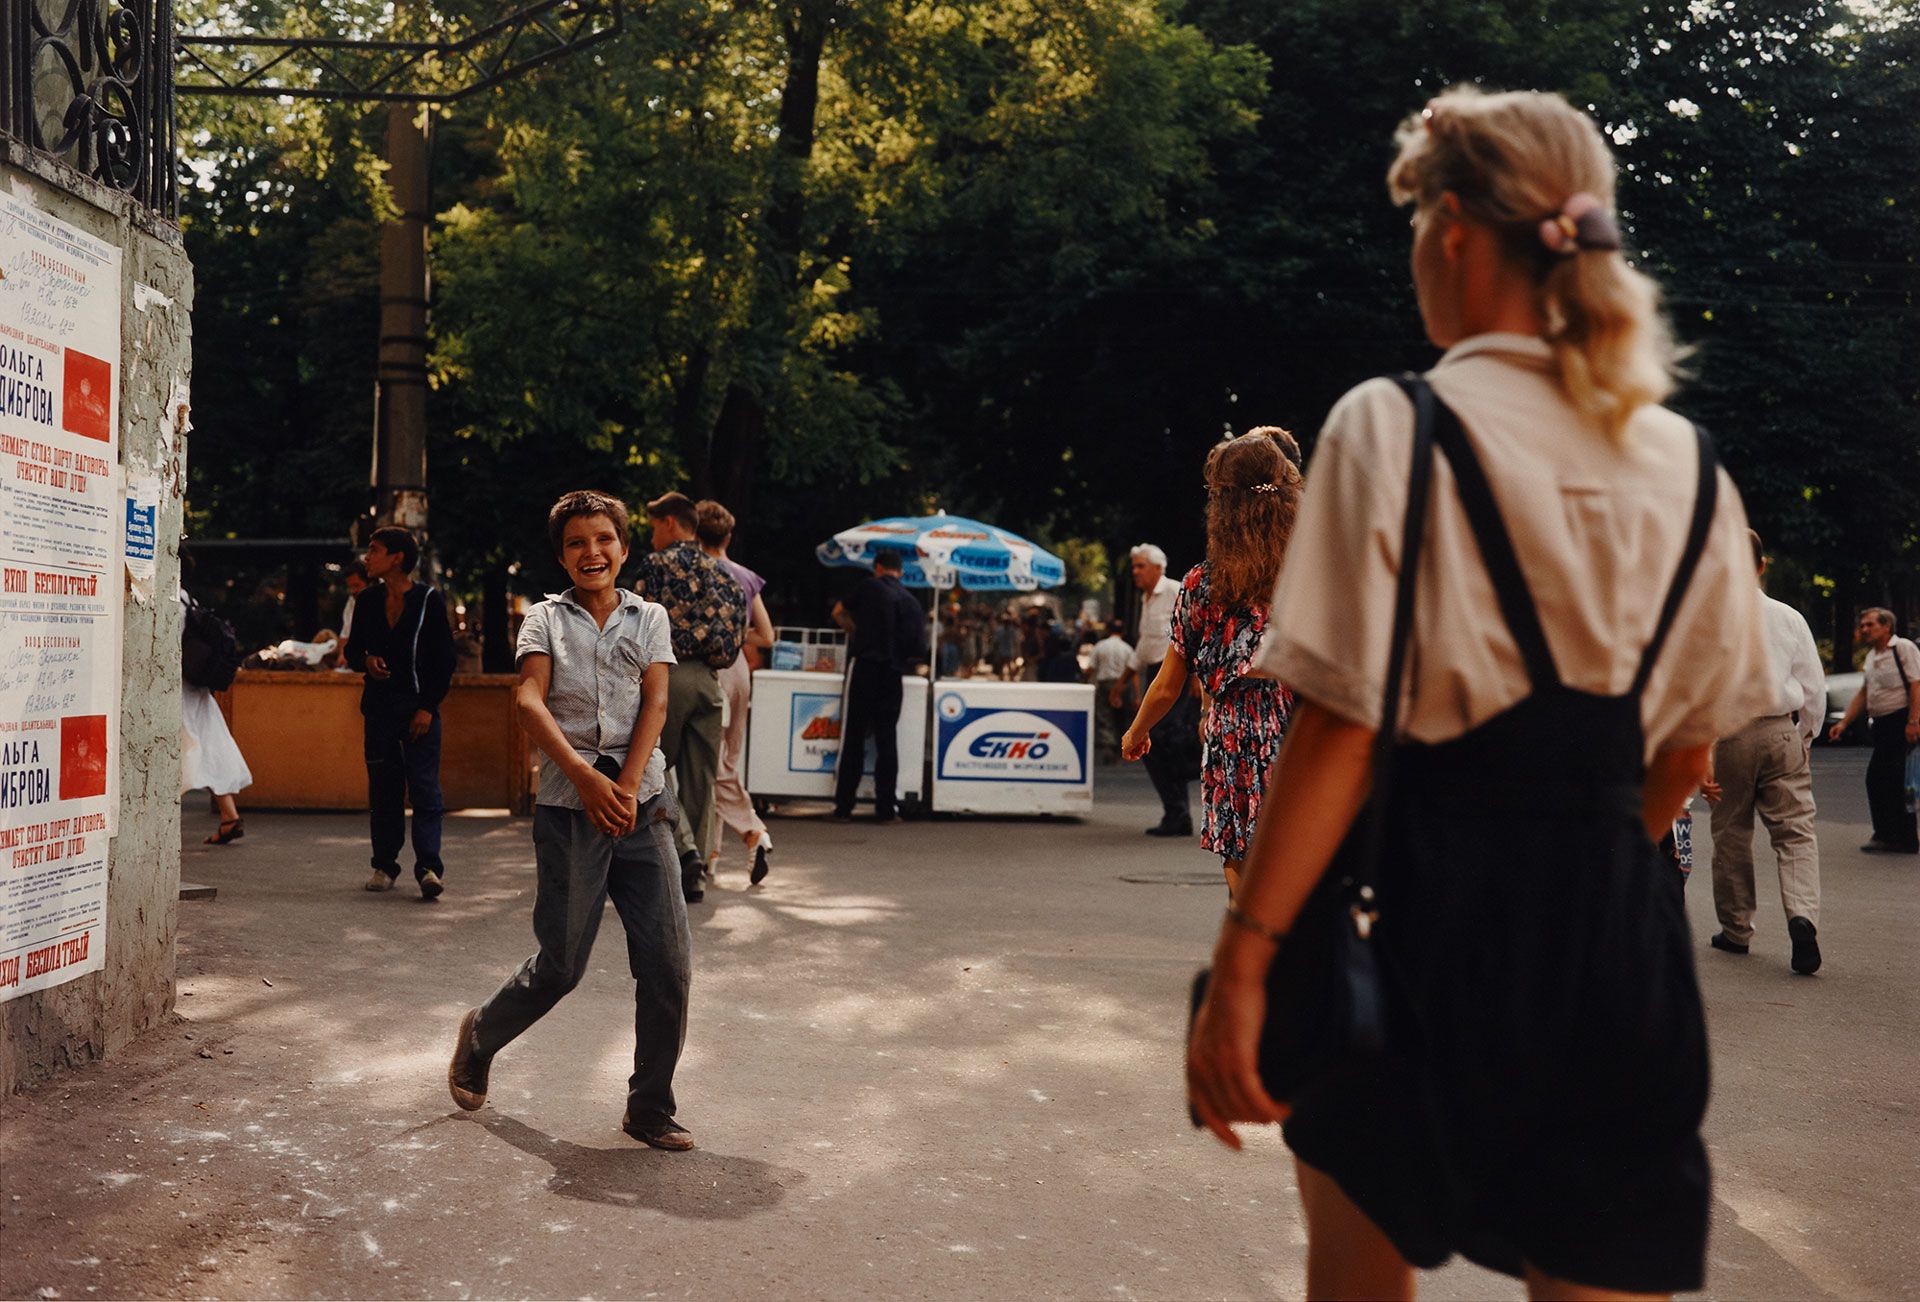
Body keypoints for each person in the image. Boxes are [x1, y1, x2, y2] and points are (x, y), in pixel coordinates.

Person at [1186, 88, 1775, 1300]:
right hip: (1621, 941)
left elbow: (1340, 726)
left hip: (1420, 922)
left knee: (1360, 1274)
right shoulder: (1689, 464)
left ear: (1452, 226)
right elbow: (1685, 756)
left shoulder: (1391, 426)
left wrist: (1245, 960)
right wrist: (1581, 880)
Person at [448, 490, 695, 1151]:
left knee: (669, 964)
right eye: (577, 543)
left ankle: (649, 1107)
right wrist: (586, 779)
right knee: (561, 966)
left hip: (642, 805)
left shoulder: (649, 617)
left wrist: (623, 785)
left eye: (604, 539)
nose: (592, 552)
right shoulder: (544, 620)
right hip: (568, 808)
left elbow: (656, 701)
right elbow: (529, 701)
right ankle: (480, 1035)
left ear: (624, 548)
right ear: (562, 557)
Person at [1121, 429, 1302, 897]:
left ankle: (1248, 929)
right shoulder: (1308, 575)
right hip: (1300, 724)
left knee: (1240, 853)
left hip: (1233, 730)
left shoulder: (1203, 584)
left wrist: (1136, 733)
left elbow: (1167, 684)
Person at [1704, 529, 1825, 973]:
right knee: (1796, 832)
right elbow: (1813, 688)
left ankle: (1736, 930)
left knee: (1731, 832)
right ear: (1761, 564)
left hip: (1730, 734)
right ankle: (1801, 916)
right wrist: (1804, 737)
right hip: (1780, 732)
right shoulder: (1788, 617)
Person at [631, 492, 747, 903]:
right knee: (702, 779)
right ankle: (692, 877)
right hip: (711, 682)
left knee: (650, 759)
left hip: (668, 674)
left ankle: (684, 849)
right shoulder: (724, 575)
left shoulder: (656, 565)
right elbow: (738, 630)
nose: (652, 537)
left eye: (653, 528)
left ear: (670, 523)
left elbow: (636, 622)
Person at [344, 526, 455, 898]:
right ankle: (384, 865)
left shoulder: (428, 600)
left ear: (397, 558)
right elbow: (352, 651)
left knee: (424, 790)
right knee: (383, 791)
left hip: (418, 711)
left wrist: (427, 707)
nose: (367, 557)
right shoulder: (367, 600)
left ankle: (429, 869)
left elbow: (444, 660)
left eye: (374, 550)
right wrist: (366, 660)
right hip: (379, 711)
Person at [692, 499, 777, 885]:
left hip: (709, 670)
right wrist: (736, 634)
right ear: (728, 536)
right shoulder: (746, 577)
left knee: (704, 762)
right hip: (739, 670)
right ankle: (712, 853)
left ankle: (749, 832)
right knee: (725, 760)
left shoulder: (695, 572)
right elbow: (767, 635)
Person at [830, 550, 928, 822]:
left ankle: (844, 808)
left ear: (878, 568)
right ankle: (886, 809)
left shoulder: (869, 587)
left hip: (865, 668)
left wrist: (856, 633)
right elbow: (918, 649)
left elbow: (838, 611)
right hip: (893, 674)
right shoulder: (911, 601)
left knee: (854, 737)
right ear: (900, 572)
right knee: (887, 740)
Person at [1112, 543, 1195, 837]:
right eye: (1134, 566)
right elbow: (1144, 646)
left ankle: (1187, 790)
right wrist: (1122, 681)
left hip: (1177, 674)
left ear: (1158, 567)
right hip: (1154, 673)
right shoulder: (1145, 600)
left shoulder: (1175, 590)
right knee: (1156, 742)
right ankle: (1177, 813)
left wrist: (1197, 676)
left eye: (1140, 566)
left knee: (1159, 739)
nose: (1135, 572)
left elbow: (1195, 630)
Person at [1829, 607, 1920, 854]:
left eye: (1870, 625)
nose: (1865, 629)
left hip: (1899, 720)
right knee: (1885, 780)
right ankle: (1892, 835)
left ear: (1886, 626)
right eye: (1863, 625)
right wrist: (1844, 723)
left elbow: (1916, 685)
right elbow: (1864, 692)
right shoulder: (1872, 656)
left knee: (1889, 779)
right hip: (1881, 724)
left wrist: (1913, 721)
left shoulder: (1902, 648)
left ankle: (1899, 837)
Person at [180, 592, 252, 845]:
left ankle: (152, 821)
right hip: (197, 687)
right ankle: (229, 817)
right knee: (212, 746)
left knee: (187, 750)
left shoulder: (165, 598)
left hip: (177, 688)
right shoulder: (187, 599)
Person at [1087, 620, 1134, 764]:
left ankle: (1109, 744)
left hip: (1105, 684)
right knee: (1122, 716)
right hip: (1123, 685)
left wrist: (1084, 680)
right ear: (1123, 632)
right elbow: (1134, 671)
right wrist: (1137, 695)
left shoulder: (1100, 646)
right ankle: (1122, 745)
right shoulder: (1127, 648)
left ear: (1107, 630)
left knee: (1105, 716)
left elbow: (1091, 668)